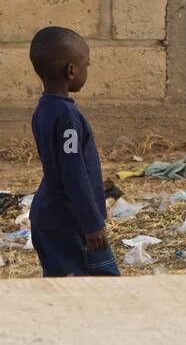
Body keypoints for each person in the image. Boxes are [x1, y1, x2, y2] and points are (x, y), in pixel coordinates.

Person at [27, 26, 120, 276]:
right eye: (86, 65)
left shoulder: (44, 109)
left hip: (50, 216)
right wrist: (91, 223)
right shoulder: (66, 115)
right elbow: (73, 172)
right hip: (68, 221)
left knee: (62, 284)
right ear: (71, 70)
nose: (87, 71)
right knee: (99, 287)